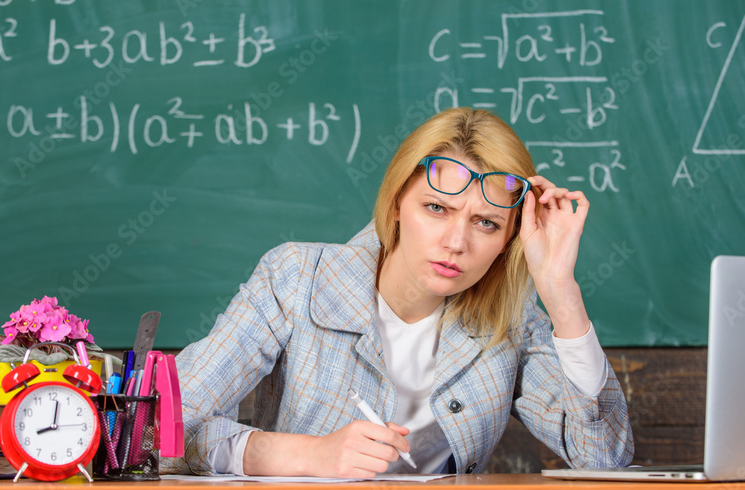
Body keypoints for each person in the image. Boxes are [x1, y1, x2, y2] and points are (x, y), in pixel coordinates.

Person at [165, 107, 634, 477]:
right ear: (395, 205)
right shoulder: (296, 278)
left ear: (509, 239)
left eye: (486, 223)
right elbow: (152, 428)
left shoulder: (511, 320)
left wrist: (560, 292)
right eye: (436, 208)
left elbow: (604, 457)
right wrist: (301, 454)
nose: (456, 242)